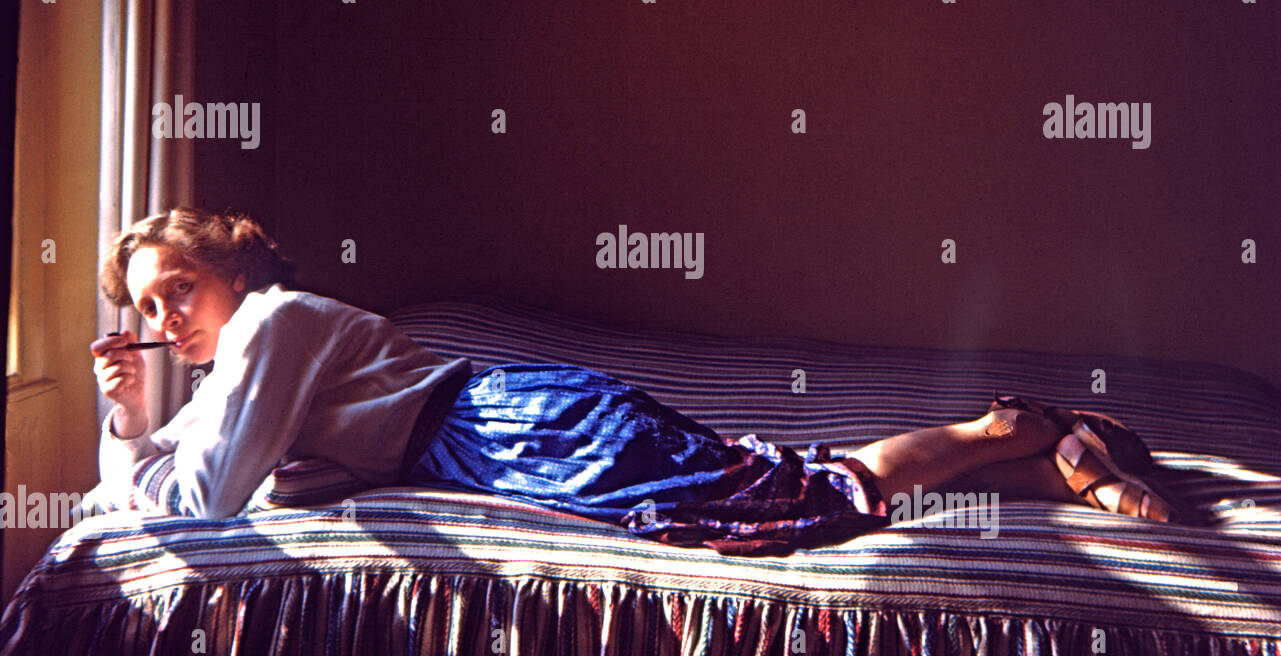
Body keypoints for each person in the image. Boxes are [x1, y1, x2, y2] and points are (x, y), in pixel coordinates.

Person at [91, 207, 1194, 556]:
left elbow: (203, 495)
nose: (162, 319)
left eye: (177, 287)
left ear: (238, 270)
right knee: (781, 495)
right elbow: (210, 470)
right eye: (144, 308)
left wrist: (138, 443)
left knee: (788, 498)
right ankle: (1050, 466)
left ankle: (1007, 419)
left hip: (517, 423)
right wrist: (129, 416)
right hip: (503, 431)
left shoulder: (272, 325)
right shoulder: (251, 356)